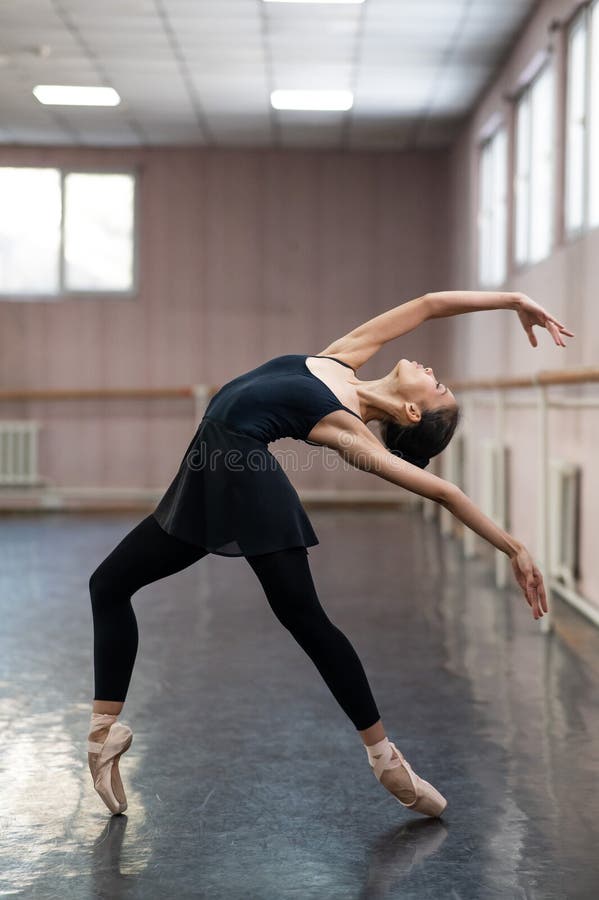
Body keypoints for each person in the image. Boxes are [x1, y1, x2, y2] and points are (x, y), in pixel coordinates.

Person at [87, 289, 574, 818]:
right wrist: (512, 300)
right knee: (110, 586)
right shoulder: (339, 360)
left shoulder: (347, 427)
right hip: (209, 473)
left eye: (436, 386)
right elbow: (430, 304)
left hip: (243, 482)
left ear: (411, 411)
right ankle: (100, 740)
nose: (433, 369)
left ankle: (385, 758)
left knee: (307, 622)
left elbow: (444, 492)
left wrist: (514, 547)